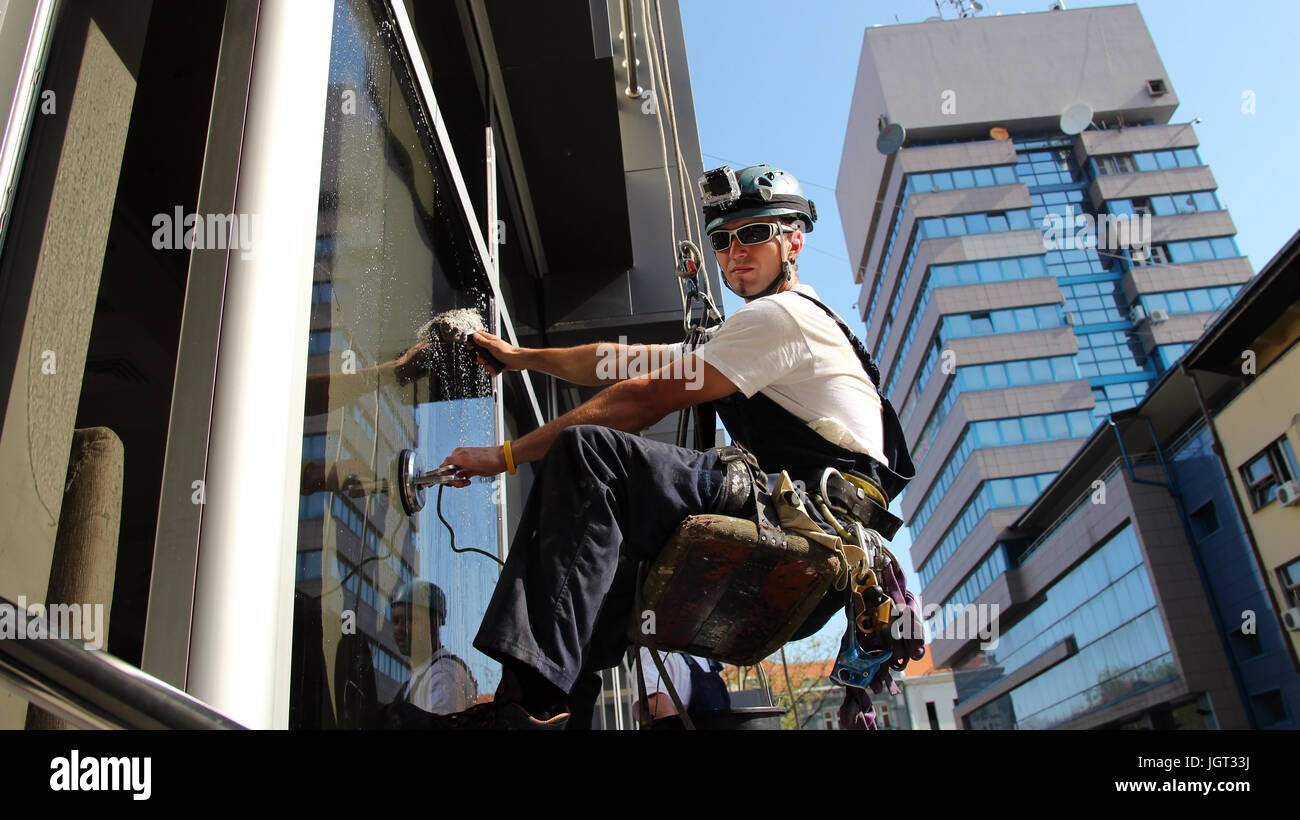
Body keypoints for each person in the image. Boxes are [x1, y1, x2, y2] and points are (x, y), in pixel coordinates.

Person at [438, 165, 914, 729]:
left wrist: (506, 456)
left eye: (754, 233)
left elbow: (640, 399)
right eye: (722, 239)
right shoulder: (750, 334)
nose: (735, 251)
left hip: (810, 516)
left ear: (794, 241)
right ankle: (552, 711)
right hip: (805, 518)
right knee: (608, 568)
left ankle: (534, 701)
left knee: (591, 455)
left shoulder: (781, 318)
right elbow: (619, 361)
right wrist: (524, 358)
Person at [383, 580, 477, 723]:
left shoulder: (444, 675)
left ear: (433, 623)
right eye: (396, 621)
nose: (399, 629)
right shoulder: (422, 674)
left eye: (409, 620)